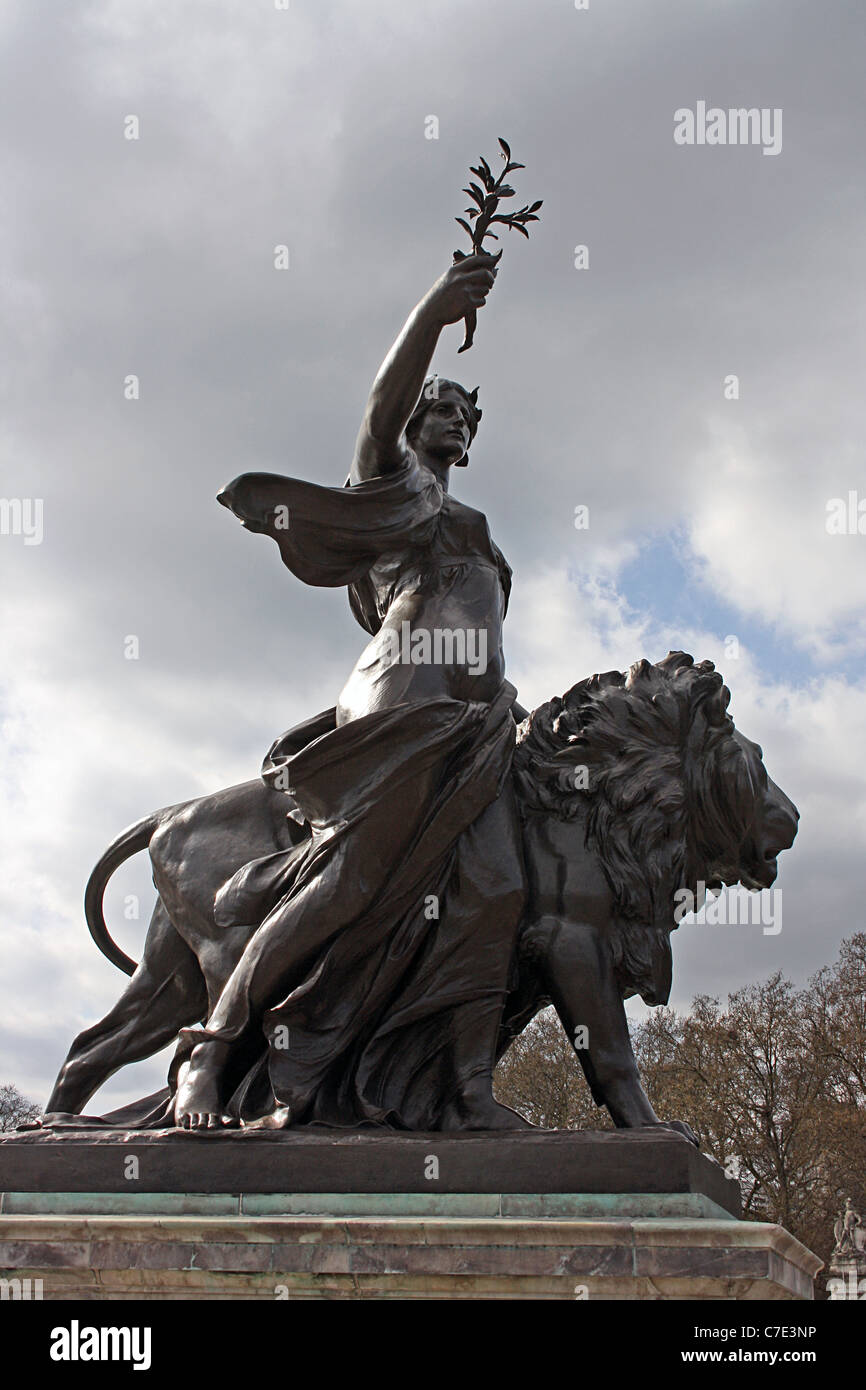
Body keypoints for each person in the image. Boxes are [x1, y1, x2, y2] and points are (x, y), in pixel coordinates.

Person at [173, 253, 529, 1131]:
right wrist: (435, 312)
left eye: (465, 414)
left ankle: (466, 1087)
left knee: (497, 889)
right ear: (415, 421)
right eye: (441, 406)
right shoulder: (393, 487)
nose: (455, 420)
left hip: (476, 725)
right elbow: (380, 405)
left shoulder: (475, 523)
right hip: (400, 703)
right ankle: (208, 1059)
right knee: (345, 886)